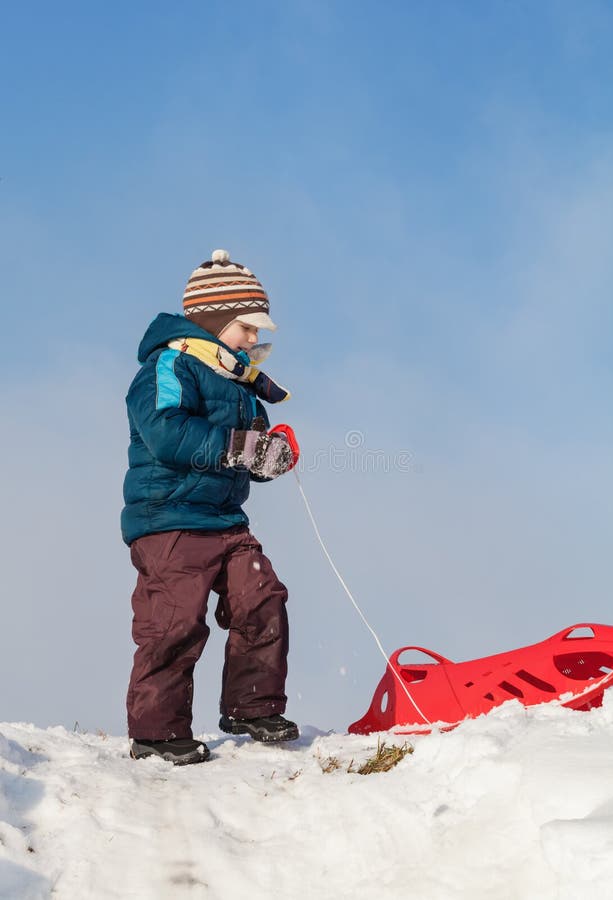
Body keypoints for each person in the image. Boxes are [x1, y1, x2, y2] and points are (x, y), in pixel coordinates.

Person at [121, 249, 299, 766]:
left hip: (225, 521)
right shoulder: (170, 365)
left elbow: (245, 448)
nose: (253, 339)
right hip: (170, 521)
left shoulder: (240, 384)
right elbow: (167, 433)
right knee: (174, 622)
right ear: (218, 320)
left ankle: (252, 705)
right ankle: (156, 731)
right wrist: (241, 447)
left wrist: (268, 457)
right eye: (247, 327)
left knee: (262, 597)